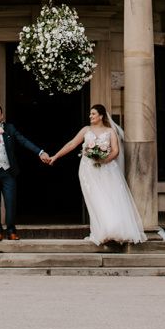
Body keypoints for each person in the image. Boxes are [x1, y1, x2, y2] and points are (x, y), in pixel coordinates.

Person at [47, 103, 146, 250]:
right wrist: (56, 156)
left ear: (101, 116)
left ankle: (115, 229)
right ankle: (102, 231)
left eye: (93, 114)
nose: (90, 116)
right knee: (96, 199)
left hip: (108, 169)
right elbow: (72, 144)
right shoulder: (86, 130)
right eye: (90, 114)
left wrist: (104, 159)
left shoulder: (110, 131)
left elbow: (115, 151)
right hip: (89, 170)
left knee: (111, 197)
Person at [0, 102, 49, 241]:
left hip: (8, 172)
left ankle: (11, 231)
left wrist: (40, 151)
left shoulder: (9, 128)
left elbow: (23, 141)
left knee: (10, 202)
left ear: (1, 116)